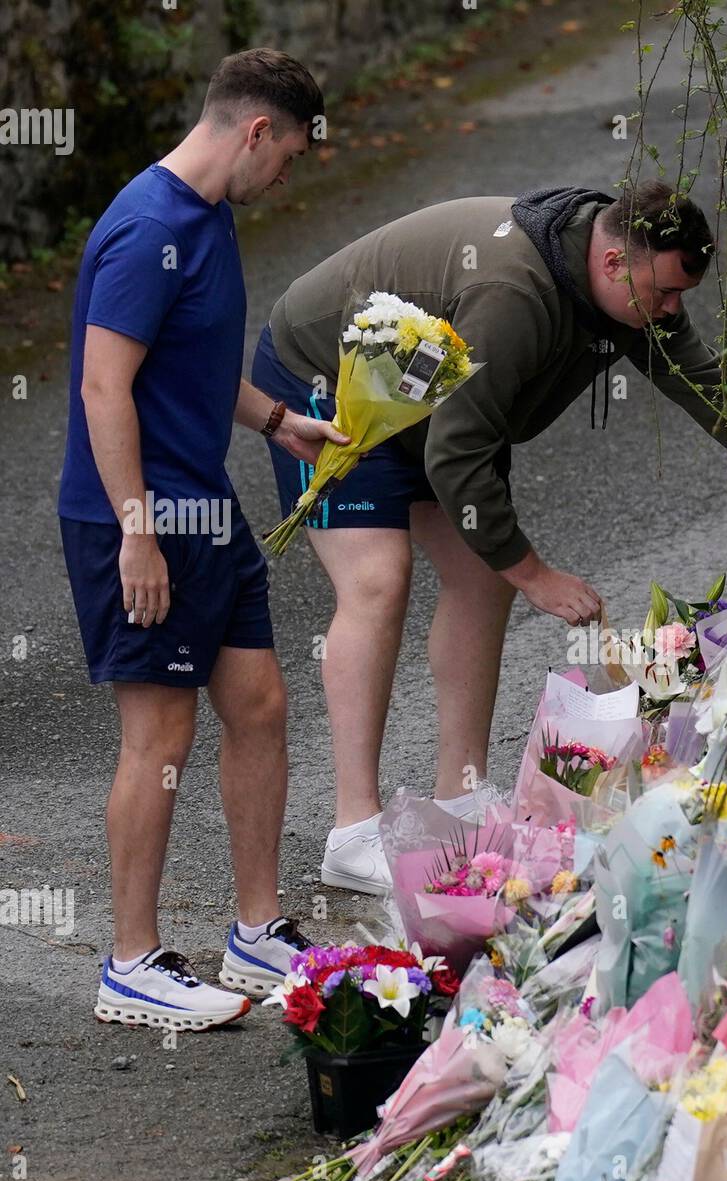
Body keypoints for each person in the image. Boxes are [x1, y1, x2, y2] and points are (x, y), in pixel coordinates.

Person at [253, 181, 727, 894]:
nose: (673, 311)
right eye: (667, 293)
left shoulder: (627, 291)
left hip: (431, 387)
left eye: (681, 295)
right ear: (613, 262)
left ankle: (460, 797)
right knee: (377, 579)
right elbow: (457, 456)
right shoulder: (515, 294)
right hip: (329, 369)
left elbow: (706, 387)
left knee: (481, 572)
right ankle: (353, 832)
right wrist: (534, 574)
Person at [58, 49, 350, 1030]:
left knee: (259, 704)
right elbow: (105, 386)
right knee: (160, 736)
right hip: (134, 516)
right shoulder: (147, 229)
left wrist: (275, 421)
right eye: (295, 156)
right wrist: (138, 532)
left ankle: (256, 932)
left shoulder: (210, 217)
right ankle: (131, 964)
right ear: (257, 130)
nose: (291, 176)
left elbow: (186, 367)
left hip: (203, 505)